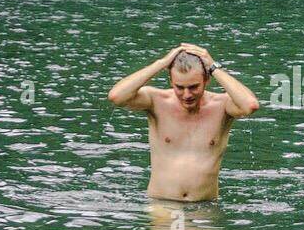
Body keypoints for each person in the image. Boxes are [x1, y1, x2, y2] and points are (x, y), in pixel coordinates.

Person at [107, 43, 260, 201]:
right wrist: (161, 63)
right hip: (163, 204)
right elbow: (116, 96)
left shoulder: (222, 106)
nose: (187, 95)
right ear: (171, 81)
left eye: (194, 87)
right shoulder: (156, 101)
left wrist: (214, 67)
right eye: (179, 87)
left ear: (206, 80)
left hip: (204, 206)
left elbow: (250, 105)